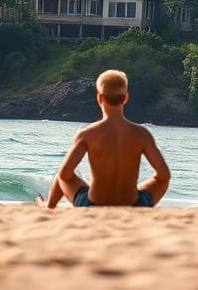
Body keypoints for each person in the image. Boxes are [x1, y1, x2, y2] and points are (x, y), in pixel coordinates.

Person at [37, 69, 170, 208]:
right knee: (161, 180)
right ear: (125, 98)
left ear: (99, 98)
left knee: (62, 175)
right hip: (134, 204)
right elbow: (164, 175)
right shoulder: (142, 133)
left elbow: (65, 174)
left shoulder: (87, 134)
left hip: (92, 204)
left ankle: (49, 206)